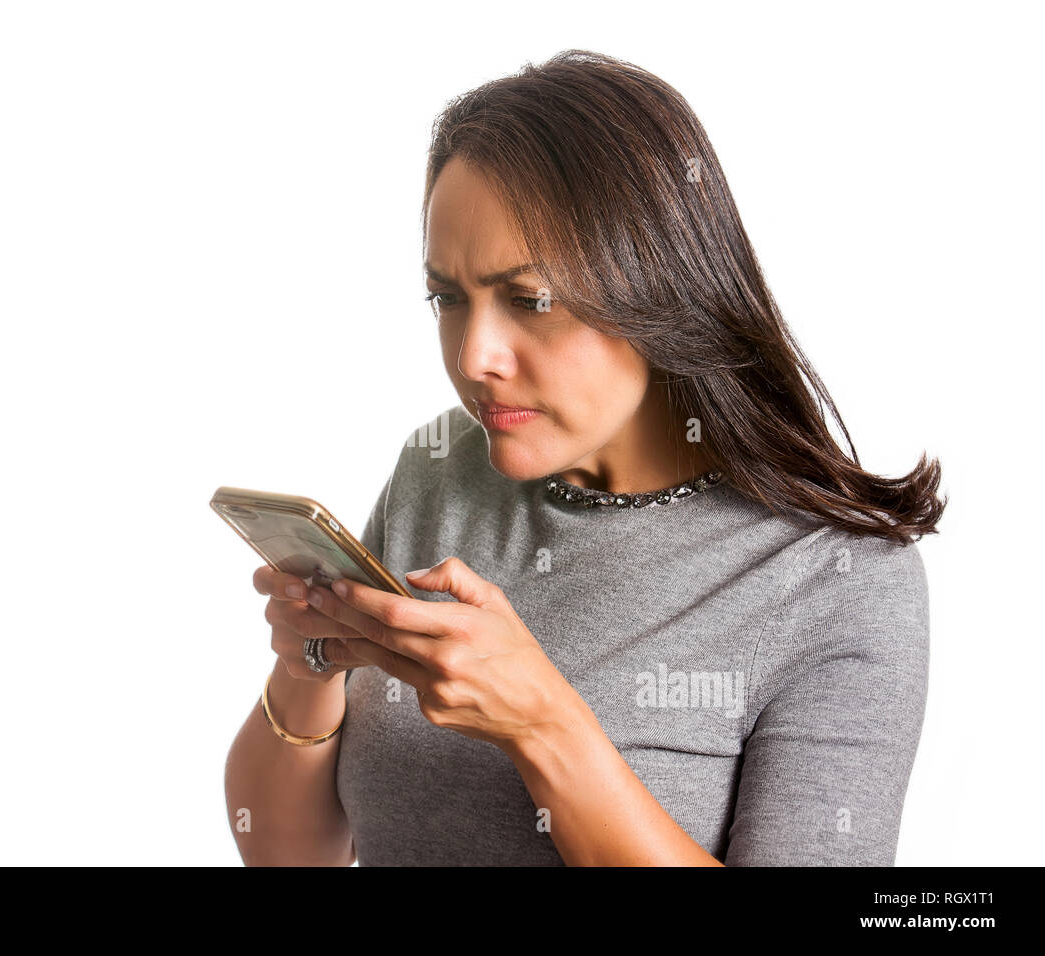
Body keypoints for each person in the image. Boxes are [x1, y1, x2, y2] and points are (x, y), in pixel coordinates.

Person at [224, 49, 944, 866]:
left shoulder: (835, 577)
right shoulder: (441, 472)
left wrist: (543, 725)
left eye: (530, 299)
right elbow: (290, 855)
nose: (475, 357)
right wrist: (306, 665)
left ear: (661, 289)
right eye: (449, 298)